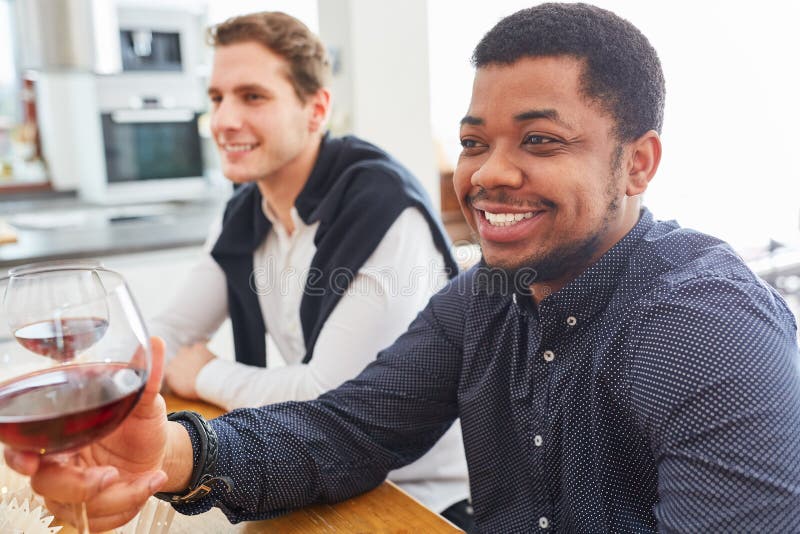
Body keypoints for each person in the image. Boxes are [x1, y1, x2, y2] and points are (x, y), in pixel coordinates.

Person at [8, 3, 800, 532]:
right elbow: (344, 430)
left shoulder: (706, 330)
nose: (489, 173)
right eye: (473, 140)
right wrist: (171, 455)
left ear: (638, 165)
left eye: (541, 140)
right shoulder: (482, 295)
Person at [145, 11, 473, 526]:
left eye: (253, 96)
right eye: (216, 98)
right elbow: (168, 334)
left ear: (316, 109)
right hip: (312, 474)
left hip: (420, 497)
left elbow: (328, 400)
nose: (224, 121)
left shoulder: (384, 210)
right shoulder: (247, 210)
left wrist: (203, 371)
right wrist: (91, 386)